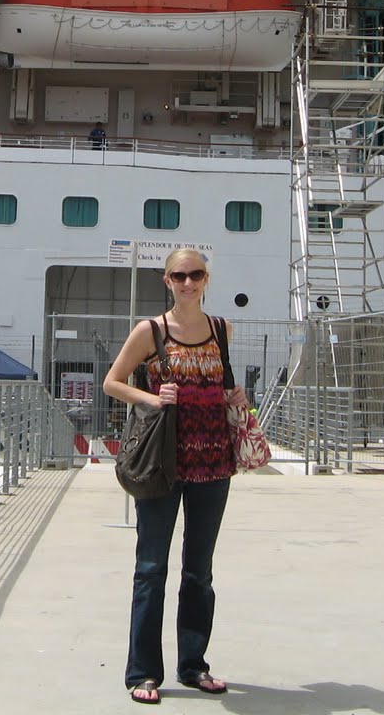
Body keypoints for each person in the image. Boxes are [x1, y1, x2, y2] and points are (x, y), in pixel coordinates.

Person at [103, 247, 243, 705]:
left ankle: (193, 665)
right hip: (162, 466)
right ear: (167, 281)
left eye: (196, 274)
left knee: (199, 572)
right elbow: (113, 381)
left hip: (214, 465)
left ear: (206, 279)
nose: (188, 282)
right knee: (151, 569)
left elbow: (220, 387)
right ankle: (142, 672)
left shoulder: (222, 329)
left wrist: (234, 397)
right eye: (179, 275)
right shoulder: (151, 331)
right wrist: (149, 397)